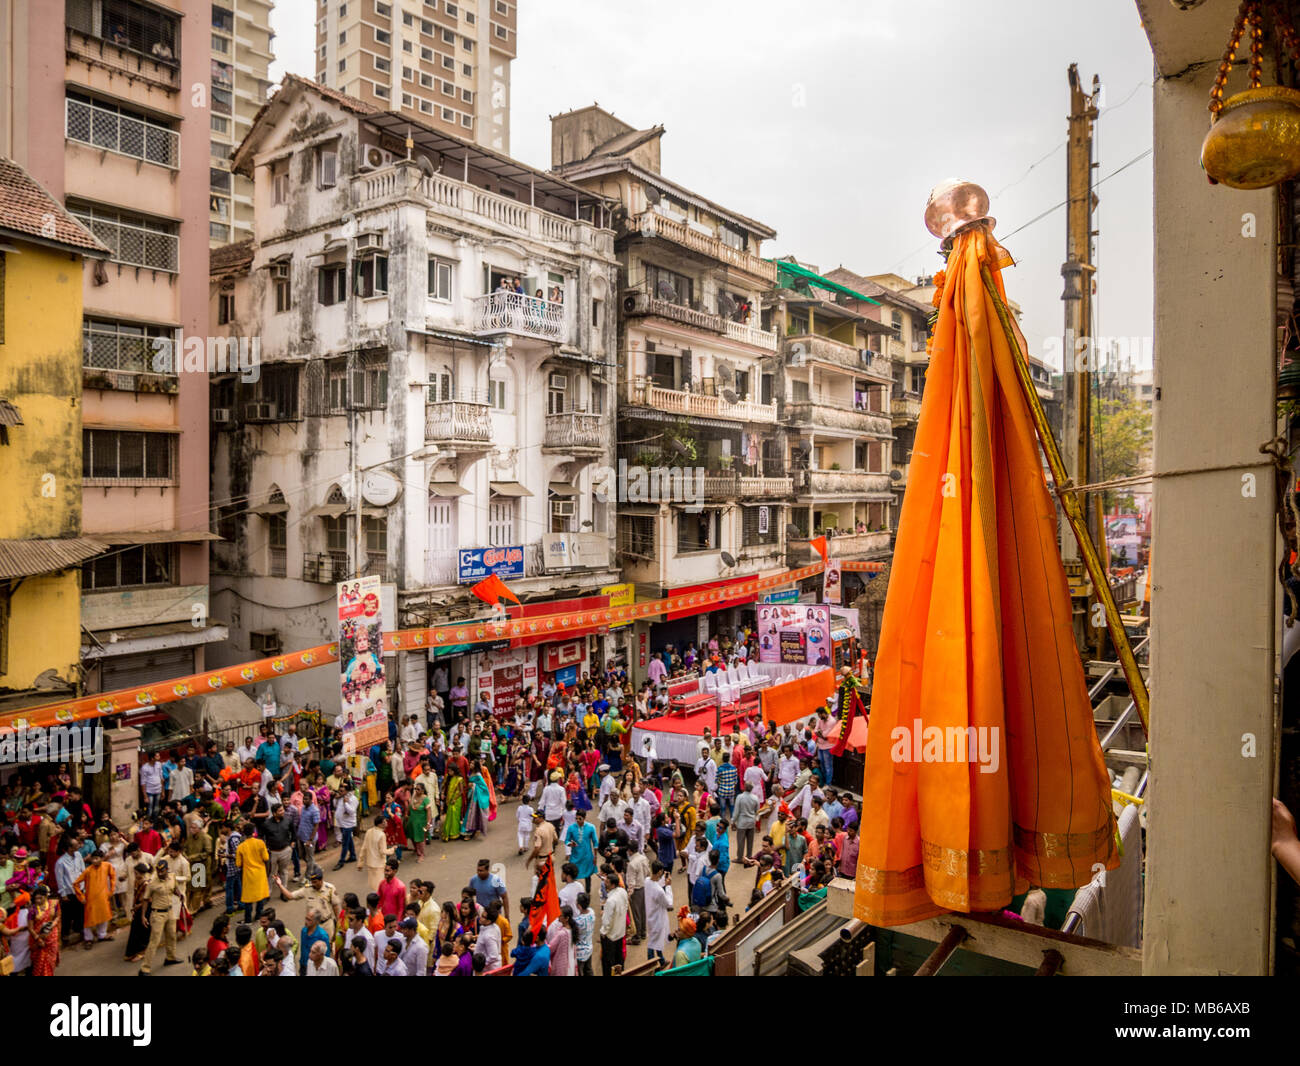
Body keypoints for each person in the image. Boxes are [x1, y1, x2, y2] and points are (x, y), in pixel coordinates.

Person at [138, 860, 183, 975]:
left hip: (170, 911)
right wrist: (143, 916)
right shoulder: (152, 883)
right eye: (158, 871)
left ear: (167, 870)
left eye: (162, 871)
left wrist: (179, 895)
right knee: (154, 941)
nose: (160, 873)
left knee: (172, 936)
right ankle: (145, 968)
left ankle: (170, 958)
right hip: (158, 914)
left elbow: (175, 889)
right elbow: (145, 900)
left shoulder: (172, 877)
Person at [73, 850, 115, 948]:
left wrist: (111, 890)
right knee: (89, 920)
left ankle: (102, 935)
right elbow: (76, 884)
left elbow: (113, 876)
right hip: (90, 899)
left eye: (97, 858)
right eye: (93, 859)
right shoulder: (88, 870)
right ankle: (88, 939)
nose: (94, 861)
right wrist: (81, 897)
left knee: (104, 916)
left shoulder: (107, 866)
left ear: (102, 858)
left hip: (103, 897)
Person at [235, 822, 270, 923]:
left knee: (248, 899)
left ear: (244, 833)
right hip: (260, 873)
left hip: (248, 875)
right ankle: (259, 915)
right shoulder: (260, 843)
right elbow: (266, 858)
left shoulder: (241, 847)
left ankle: (248, 919)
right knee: (260, 896)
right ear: (254, 832)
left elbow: (238, 864)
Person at [598, 870, 628, 976]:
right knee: (619, 959)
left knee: (608, 963)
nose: (605, 884)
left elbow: (607, 922)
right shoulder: (622, 892)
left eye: (607, 883)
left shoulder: (611, 901)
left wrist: (603, 932)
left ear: (613, 885)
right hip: (620, 932)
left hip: (610, 937)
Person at [564, 809, 598, 894]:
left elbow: (595, 842)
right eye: (576, 819)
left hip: (587, 856)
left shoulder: (591, 827)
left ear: (584, 818)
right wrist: (570, 844)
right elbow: (566, 840)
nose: (578, 821)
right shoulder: (571, 828)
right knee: (572, 875)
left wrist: (595, 856)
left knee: (587, 875)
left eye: (580, 819)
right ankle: (572, 893)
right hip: (575, 856)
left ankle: (587, 892)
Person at [571, 891, 595, 977]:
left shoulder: (577, 921)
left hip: (580, 952)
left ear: (579, 906)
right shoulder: (591, 912)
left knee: (580, 972)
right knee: (588, 970)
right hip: (589, 947)